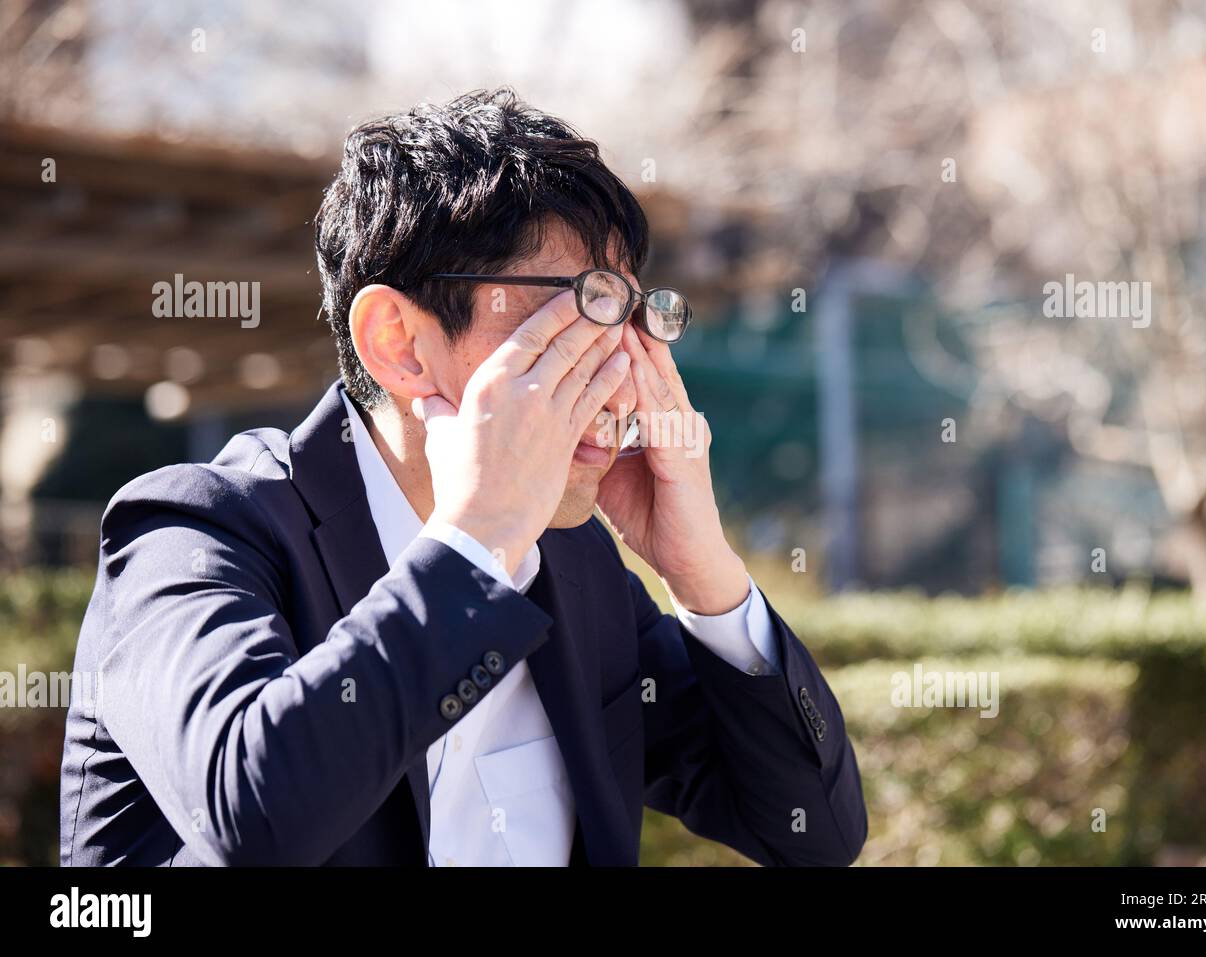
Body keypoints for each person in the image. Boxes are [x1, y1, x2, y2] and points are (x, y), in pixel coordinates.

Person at [60, 88, 867, 866]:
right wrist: (477, 540)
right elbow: (257, 818)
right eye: (581, 310)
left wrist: (705, 576)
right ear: (399, 343)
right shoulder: (190, 531)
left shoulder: (576, 564)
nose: (623, 372)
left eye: (634, 316)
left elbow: (811, 833)